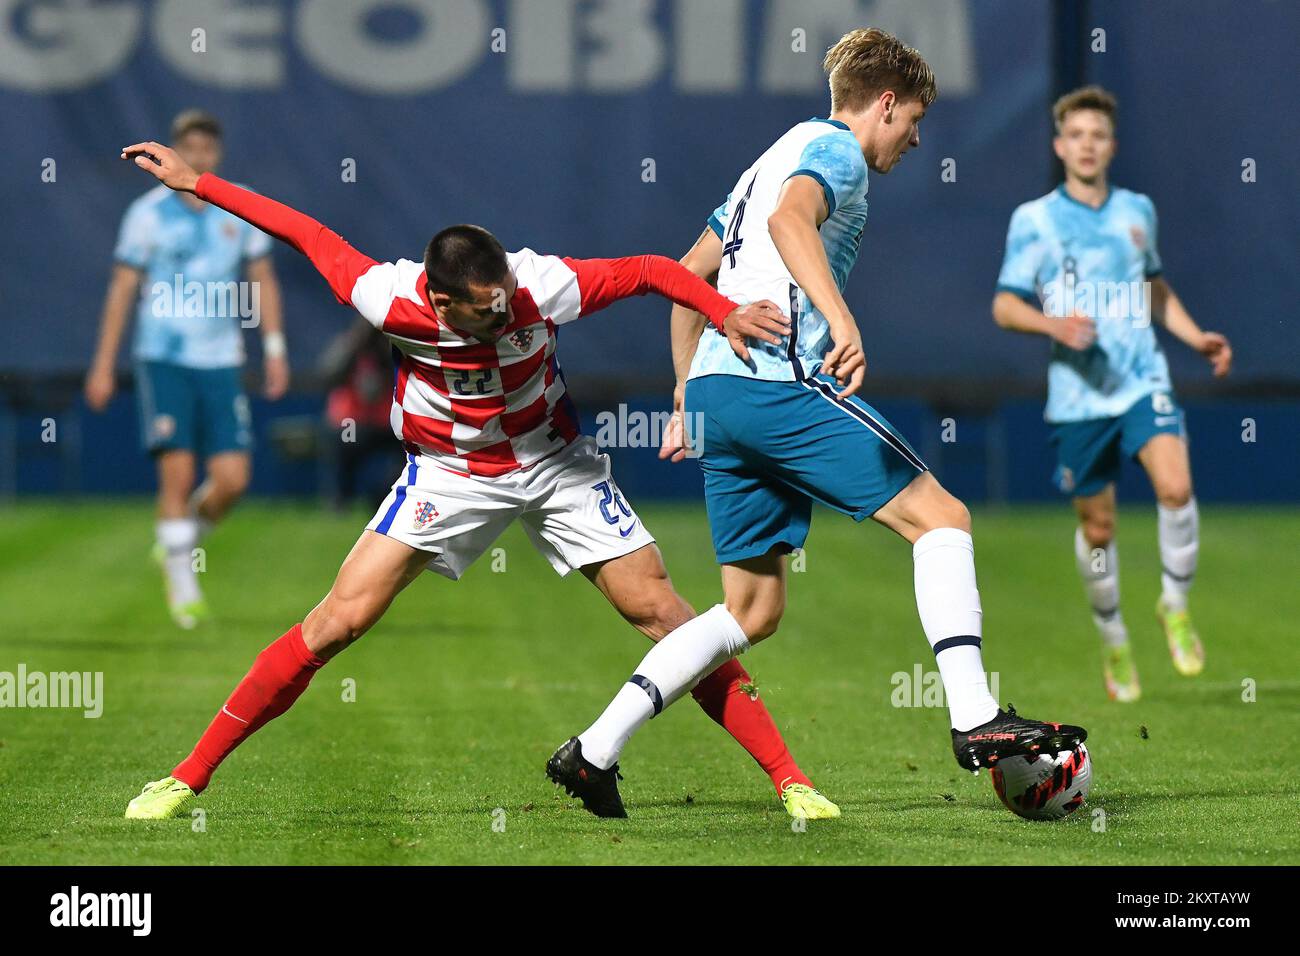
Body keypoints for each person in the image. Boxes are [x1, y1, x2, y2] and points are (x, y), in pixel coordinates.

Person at [117, 139, 839, 822]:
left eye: (505, 302)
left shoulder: (539, 284)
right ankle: (187, 776)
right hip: (450, 476)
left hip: (556, 467)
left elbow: (651, 268)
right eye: (483, 311)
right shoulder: (387, 296)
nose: (503, 316)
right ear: (440, 301)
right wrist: (198, 183)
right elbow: (303, 232)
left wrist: (723, 310)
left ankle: (792, 781)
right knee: (338, 622)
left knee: (666, 615)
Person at [548, 28, 1087, 818]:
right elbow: (791, 226)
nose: (915, 139)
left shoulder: (757, 166)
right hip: (776, 384)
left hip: (718, 401)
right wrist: (841, 321)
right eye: (914, 122)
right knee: (942, 517)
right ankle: (974, 716)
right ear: (886, 103)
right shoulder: (832, 150)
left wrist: (681, 393)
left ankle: (594, 750)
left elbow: (689, 276)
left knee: (750, 612)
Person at [992, 86, 1232, 701]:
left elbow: (1153, 286)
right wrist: (1053, 325)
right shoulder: (1035, 219)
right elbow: (1004, 305)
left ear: (1112, 146)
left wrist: (1194, 336)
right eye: (1077, 135)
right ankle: (1114, 636)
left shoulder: (1137, 211)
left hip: (1142, 381)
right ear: (1059, 145)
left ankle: (1174, 605)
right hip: (1077, 400)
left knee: (1175, 488)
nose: (1088, 145)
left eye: (1098, 135)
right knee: (1098, 530)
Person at [85, 110, 288, 629]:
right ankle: (183, 588)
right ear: (172, 152)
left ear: (217, 154)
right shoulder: (147, 214)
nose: (198, 158)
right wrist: (104, 365)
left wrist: (275, 348)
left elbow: (262, 275)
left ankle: (179, 544)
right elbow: (122, 289)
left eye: (207, 150)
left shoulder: (237, 206)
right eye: (189, 148)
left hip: (222, 360)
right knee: (176, 473)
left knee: (233, 479)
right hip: (164, 357)